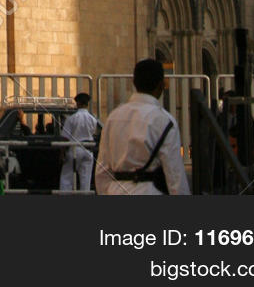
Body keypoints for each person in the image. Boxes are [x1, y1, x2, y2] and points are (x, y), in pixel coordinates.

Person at [95, 59, 190, 195]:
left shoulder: (113, 117)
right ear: (161, 85)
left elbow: (102, 170)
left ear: (134, 83)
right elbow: (175, 174)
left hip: (115, 190)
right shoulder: (164, 121)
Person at [60, 91, 99, 192]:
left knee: (66, 178)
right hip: (88, 150)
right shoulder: (93, 119)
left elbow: (65, 138)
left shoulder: (72, 118)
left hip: (74, 150)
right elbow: (94, 133)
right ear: (87, 104)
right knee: (86, 180)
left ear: (78, 103)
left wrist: (62, 152)